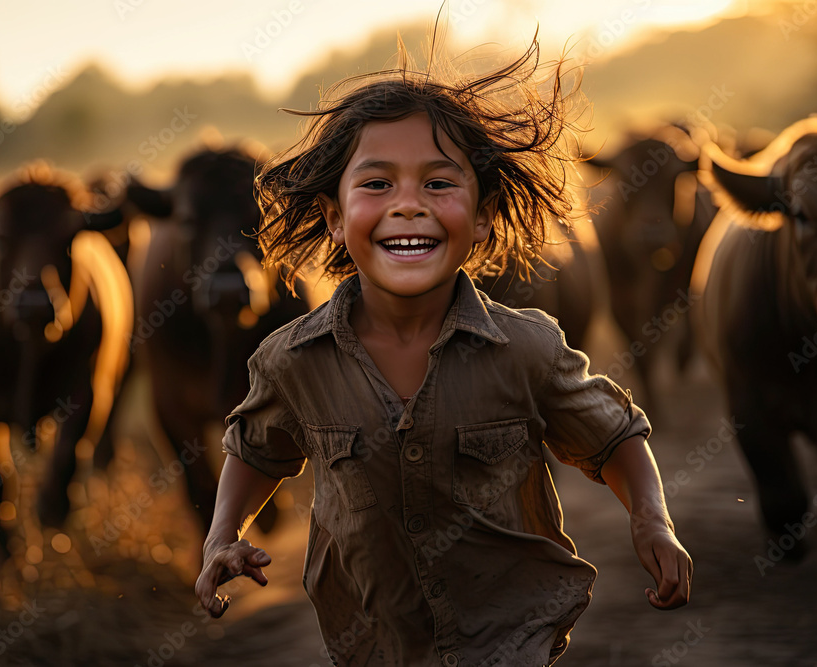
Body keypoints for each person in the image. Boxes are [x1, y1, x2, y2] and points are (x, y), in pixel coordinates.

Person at [195, 29, 692, 667]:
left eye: (438, 184)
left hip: (510, 640)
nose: (408, 206)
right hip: (370, 643)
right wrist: (221, 537)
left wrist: (652, 518)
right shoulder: (294, 360)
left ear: (482, 216)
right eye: (376, 184)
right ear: (334, 218)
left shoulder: (525, 347)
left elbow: (614, 434)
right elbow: (255, 448)